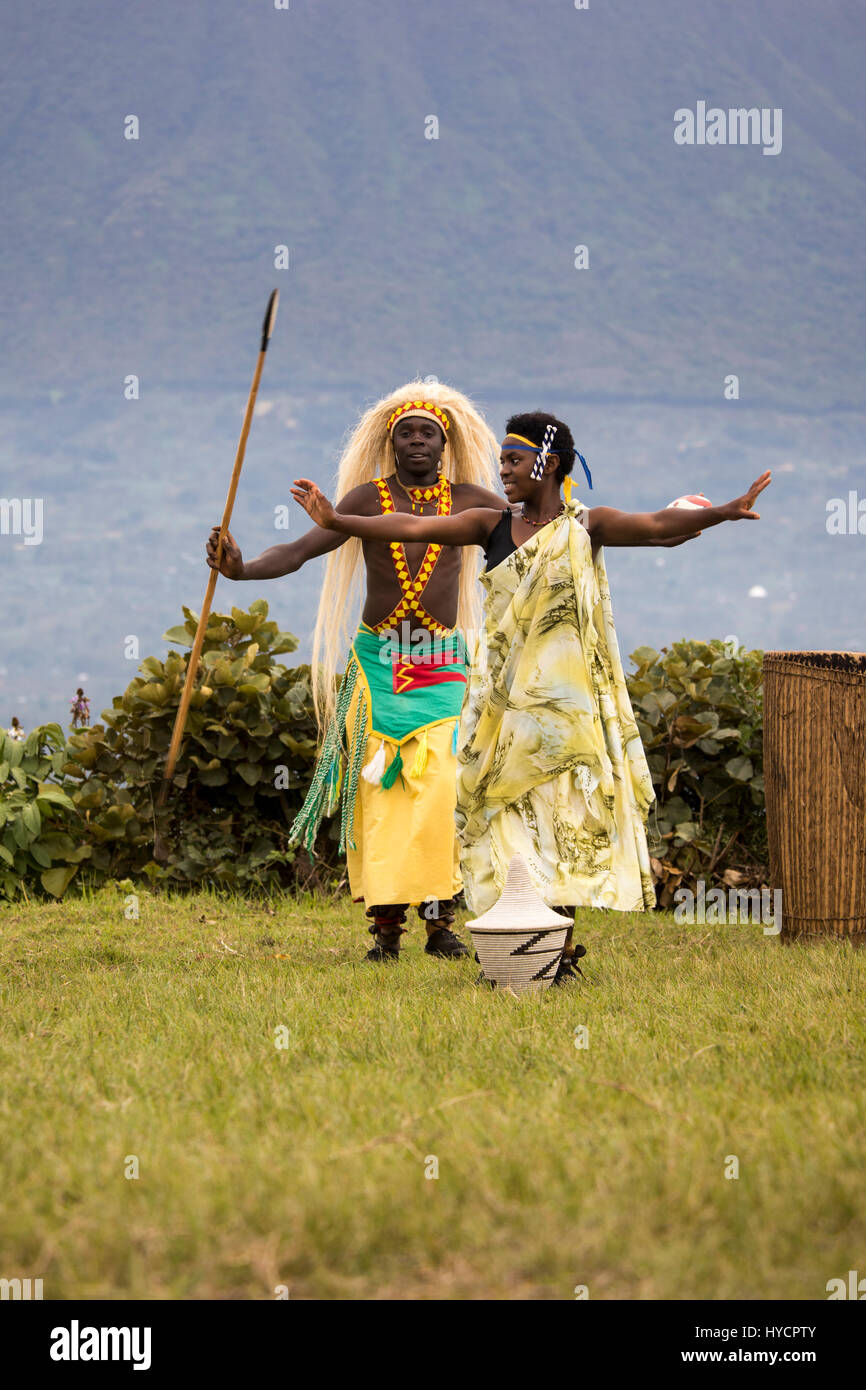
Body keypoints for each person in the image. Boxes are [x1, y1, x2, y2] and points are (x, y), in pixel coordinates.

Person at [291, 411, 772, 981]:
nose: (504, 471)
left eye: (514, 461)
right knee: (499, 827)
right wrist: (338, 518)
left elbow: (659, 526)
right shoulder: (489, 524)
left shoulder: (586, 526)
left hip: (565, 715)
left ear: (548, 464)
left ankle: (556, 953)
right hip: (500, 705)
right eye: (502, 461)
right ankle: (507, 944)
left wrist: (720, 512)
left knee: (560, 831)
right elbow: (410, 528)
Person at [207, 382, 507, 962]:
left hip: (444, 662)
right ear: (390, 443)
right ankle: (386, 931)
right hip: (377, 663)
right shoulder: (366, 501)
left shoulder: (474, 500)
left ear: (446, 444)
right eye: (406, 433)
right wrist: (241, 570)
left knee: (442, 789)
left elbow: (537, 530)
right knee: (383, 789)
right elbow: (295, 553)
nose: (417, 441)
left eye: (428, 433)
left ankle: (440, 921)